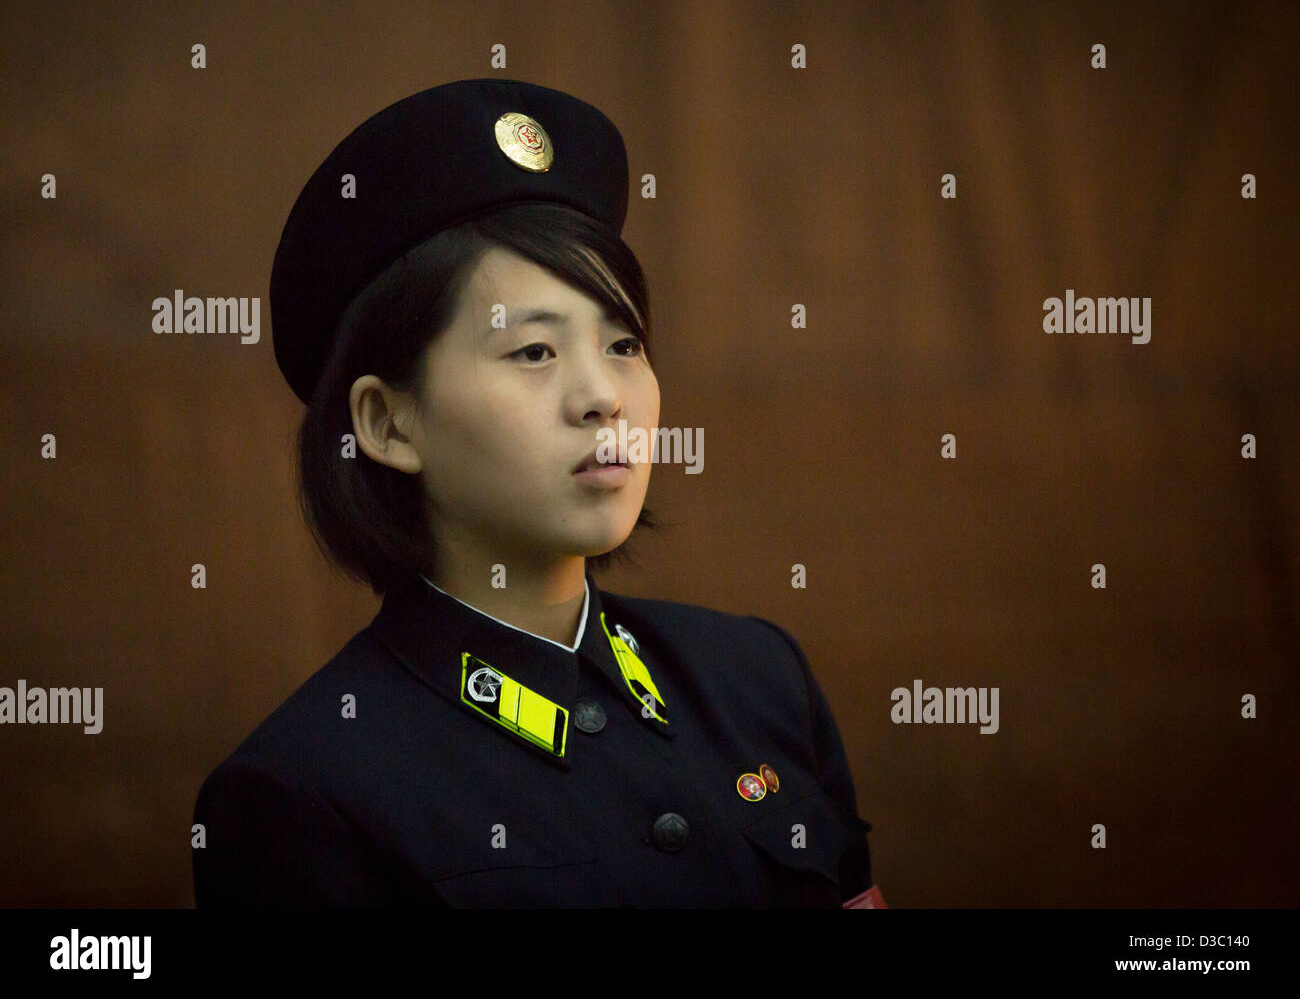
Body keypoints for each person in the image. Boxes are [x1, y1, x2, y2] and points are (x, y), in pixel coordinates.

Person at [192, 78, 884, 908]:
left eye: (624, 342)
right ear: (388, 424)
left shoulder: (759, 681)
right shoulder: (306, 792)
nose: (604, 396)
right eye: (534, 352)